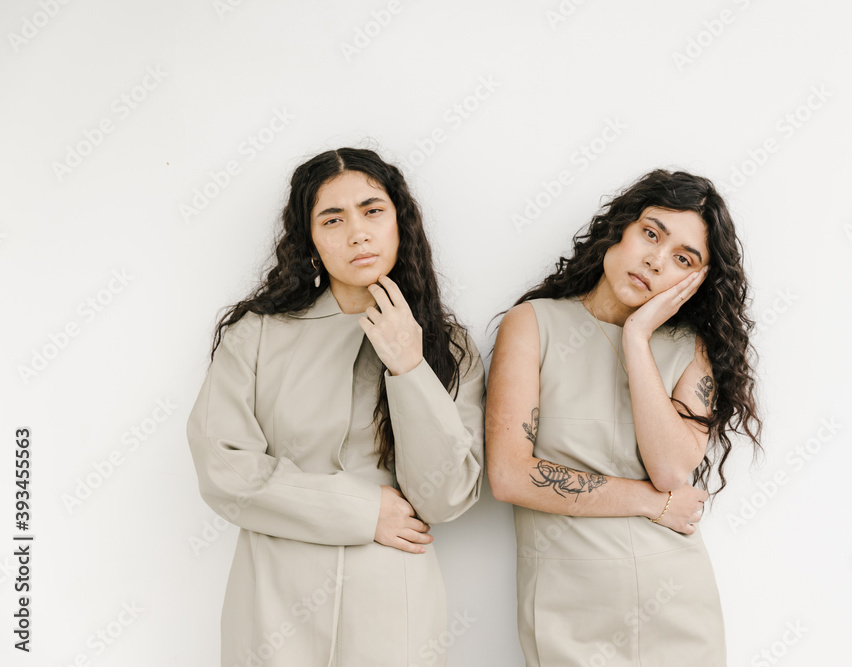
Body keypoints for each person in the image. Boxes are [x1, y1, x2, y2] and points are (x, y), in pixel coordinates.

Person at [186, 147, 485, 666]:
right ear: (310, 242)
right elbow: (224, 470)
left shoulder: (449, 346)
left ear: (401, 222)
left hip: (394, 605)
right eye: (332, 219)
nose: (357, 233)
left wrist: (409, 368)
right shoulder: (257, 335)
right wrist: (362, 509)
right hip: (273, 603)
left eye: (373, 211)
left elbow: (447, 497)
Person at [486, 168, 762, 666]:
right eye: (650, 234)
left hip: (677, 607)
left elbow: (671, 470)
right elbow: (508, 475)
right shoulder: (534, 325)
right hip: (567, 611)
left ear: (695, 281)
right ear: (620, 229)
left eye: (682, 258)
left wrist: (636, 337)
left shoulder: (689, 348)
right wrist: (650, 504)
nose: (656, 261)